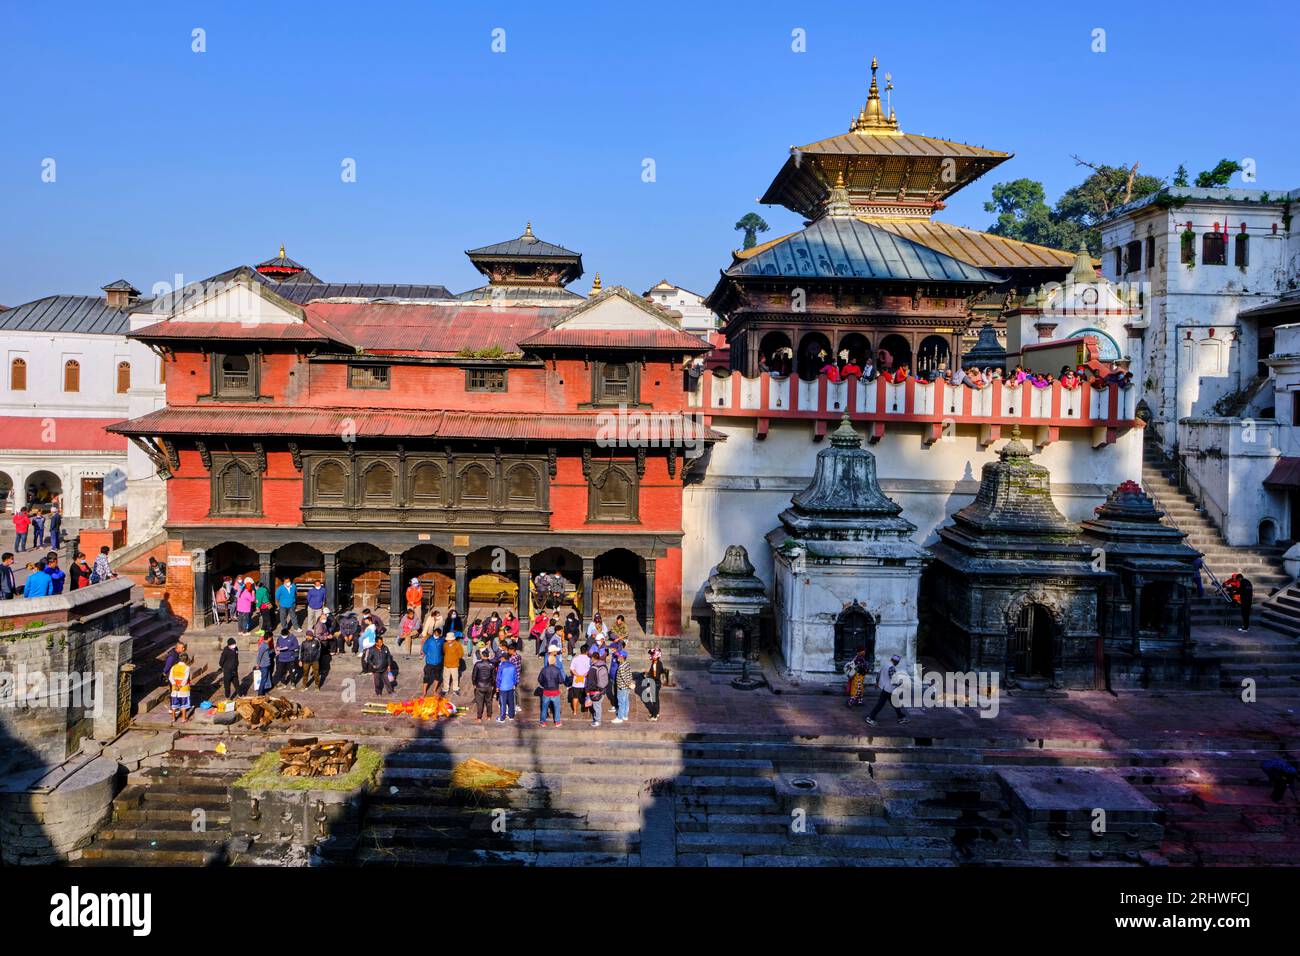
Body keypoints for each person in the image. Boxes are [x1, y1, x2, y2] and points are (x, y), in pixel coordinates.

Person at [864, 654, 908, 726]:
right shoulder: (891, 667)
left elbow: (879, 674)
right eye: (898, 662)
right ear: (896, 661)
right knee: (880, 704)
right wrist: (901, 682)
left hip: (885, 687)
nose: (897, 664)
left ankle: (901, 717)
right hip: (888, 689)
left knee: (894, 703)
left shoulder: (885, 664)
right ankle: (870, 718)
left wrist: (877, 683)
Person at [537, 651, 565, 727]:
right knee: (557, 708)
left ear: (548, 661)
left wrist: (544, 684)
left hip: (546, 691)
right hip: (555, 691)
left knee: (544, 708)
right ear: (555, 661)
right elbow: (561, 680)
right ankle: (557, 722)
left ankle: (543, 722)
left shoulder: (544, 669)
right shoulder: (557, 670)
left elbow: (539, 679)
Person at [471, 649, 496, 721]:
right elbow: (494, 677)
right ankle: (489, 716)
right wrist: (492, 685)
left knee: (479, 702)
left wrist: (474, 683)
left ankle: (479, 717)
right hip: (488, 686)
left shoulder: (478, 664)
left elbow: (474, 676)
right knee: (489, 701)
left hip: (479, 686)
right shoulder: (491, 665)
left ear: (482, 656)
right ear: (488, 656)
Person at [586, 648, 609, 727]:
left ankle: (597, 720)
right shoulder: (604, 664)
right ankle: (597, 718)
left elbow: (590, 682)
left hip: (596, 690)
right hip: (604, 688)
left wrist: (588, 691)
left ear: (592, 658)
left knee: (596, 706)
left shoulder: (593, 668)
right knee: (598, 705)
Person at [167, 653, 193, 723]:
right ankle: (183, 718)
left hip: (174, 688)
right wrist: (180, 686)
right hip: (183, 689)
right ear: (186, 659)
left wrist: (174, 684)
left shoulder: (173, 667)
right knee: (183, 704)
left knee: (174, 704)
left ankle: (173, 718)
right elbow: (185, 678)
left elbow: (170, 677)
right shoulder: (187, 667)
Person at [420, 625, 445, 696]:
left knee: (437, 677)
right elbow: (424, 649)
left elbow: (443, 649)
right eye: (435, 633)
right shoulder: (429, 640)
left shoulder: (442, 640)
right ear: (434, 633)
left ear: (440, 634)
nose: (436, 635)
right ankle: (424, 692)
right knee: (426, 677)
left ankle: (434, 690)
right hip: (429, 662)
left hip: (438, 662)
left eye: (438, 634)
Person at [495, 648, 519, 721]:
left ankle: (502, 718)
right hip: (511, 687)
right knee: (511, 702)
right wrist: (514, 684)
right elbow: (515, 676)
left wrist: (497, 686)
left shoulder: (501, 666)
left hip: (503, 687)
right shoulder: (513, 665)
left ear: (503, 658)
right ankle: (511, 716)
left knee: (503, 703)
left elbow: (499, 678)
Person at [643, 648, 666, 721]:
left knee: (654, 700)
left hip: (655, 683)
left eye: (652, 654)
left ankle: (654, 716)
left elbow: (655, 676)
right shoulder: (658, 662)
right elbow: (661, 671)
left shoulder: (655, 664)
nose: (650, 655)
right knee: (656, 699)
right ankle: (657, 712)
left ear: (656, 655)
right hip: (658, 683)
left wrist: (647, 676)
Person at [569, 644, 591, 716]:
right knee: (586, 696)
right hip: (585, 682)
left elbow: (572, 669)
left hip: (576, 682)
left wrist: (577, 675)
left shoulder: (575, 658)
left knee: (575, 697)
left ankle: (575, 711)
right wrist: (585, 674)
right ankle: (585, 709)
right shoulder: (589, 659)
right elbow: (590, 670)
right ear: (587, 651)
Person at [613, 649, 634, 723]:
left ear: (622, 657)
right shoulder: (627, 664)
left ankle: (619, 718)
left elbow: (624, 677)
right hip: (627, 687)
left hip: (622, 687)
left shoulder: (621, 666)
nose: (617, 658)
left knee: (621, 702)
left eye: (618, 656)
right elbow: (630, 675)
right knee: (626, 701)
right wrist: (630, 684)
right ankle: (625, 716)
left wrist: (628, 684)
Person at [443, 628, 464, 696]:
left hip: (454, 664)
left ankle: (455, 689)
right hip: (446, 664)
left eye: (449, 639)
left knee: (455, 677)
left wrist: (455, 658)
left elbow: (461, 654)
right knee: (446, 677)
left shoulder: (458, 645)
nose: (448, 640)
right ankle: (445, 689)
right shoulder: (445, 644)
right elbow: (443, 651)